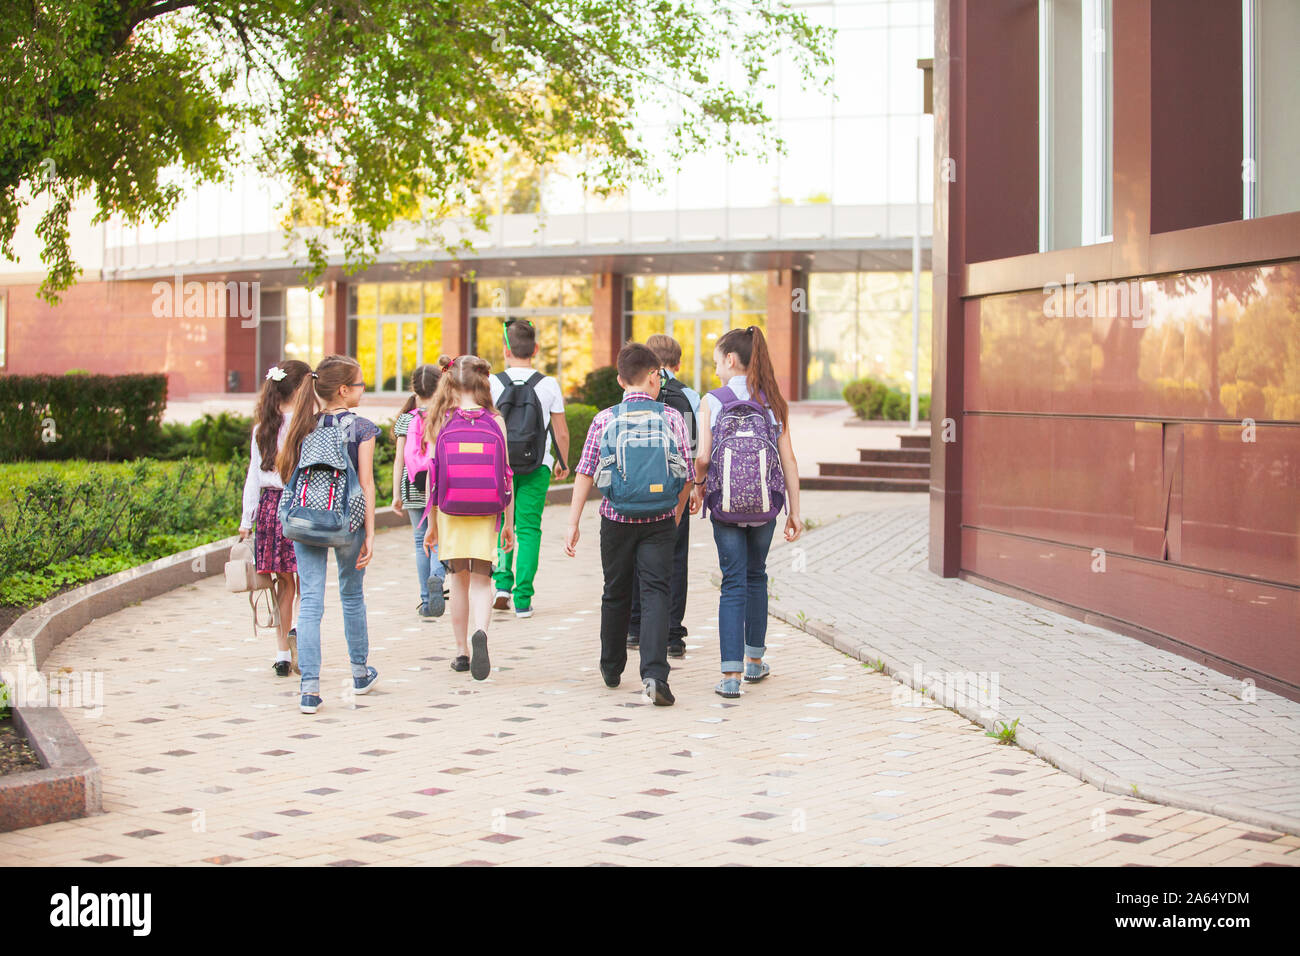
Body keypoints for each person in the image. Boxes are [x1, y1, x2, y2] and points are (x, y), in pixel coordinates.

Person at [564, 342, 692, 706]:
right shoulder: (672, 418)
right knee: (656, 592)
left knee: (615, 590)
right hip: (659, 519)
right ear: (655, 376)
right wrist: (676, 514)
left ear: (621, 380)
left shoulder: (605, 419)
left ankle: (611, 665)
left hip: (616, 518)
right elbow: (685, 474)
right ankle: (654, 673)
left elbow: (585, 471)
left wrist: (573, 523)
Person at [690, 326, 804, 700]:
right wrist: (795, 512)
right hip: (764, 507)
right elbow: (788, 459)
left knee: (732, 582)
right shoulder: (772, 401)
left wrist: (697, 486)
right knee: (757, 576)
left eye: (717, 361)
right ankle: (755, 662)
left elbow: (704, 457)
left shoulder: (713, 400)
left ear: (730, 360)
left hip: (724, 506)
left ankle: (730, 675)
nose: (716, 369)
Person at [277, 355, 381, 714]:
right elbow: (366, 484)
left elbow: (286, 471)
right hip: (347, 522)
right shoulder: (361, 428)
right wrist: (370, 532)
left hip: (306, 521)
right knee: (352, 597)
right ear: (343, 390)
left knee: (311, 604)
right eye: (360, 385)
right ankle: (359, 672)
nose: (363, 390)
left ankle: (309, 689)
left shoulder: (304, 424)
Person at [421, 355, 516, 680]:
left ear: (448, 382)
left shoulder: (441, 420)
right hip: (487, 511)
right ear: (483, 383)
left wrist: (431, 526)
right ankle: (481, 632)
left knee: (458, 581)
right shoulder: (495, 420)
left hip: (450, 511)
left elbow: (432, 479)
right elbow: (507, 476)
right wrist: (509, 524)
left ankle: (461, 651)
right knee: (482, 581)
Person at [489, 319, 570, 618]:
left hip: (499, 466)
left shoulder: (492, 382)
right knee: (529, 529)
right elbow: (560, 431)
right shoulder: (548, 384)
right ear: (535, 349)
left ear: (505, 350)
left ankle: (501, 585)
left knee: (501, 523)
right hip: (537, 465)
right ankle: (522, 599)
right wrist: (562, 461)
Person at [627, 333, 700, 658]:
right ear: (678, 363)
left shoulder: (633, 389)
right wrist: (696, 487)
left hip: (636, 487)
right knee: (675, 557)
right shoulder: (690, 395)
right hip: (674, 489)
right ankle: (672, 634)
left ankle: (634, 626)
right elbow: (696, 446)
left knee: (634, 554)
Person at [239, 359, 310, 677]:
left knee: (283, 583)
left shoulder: (262, 428)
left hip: (270, 509)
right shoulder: (306, 424)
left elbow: (253, 477)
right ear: (298, 389)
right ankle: (300, 638)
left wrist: (246, 520)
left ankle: (282, 652)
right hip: (300, 505)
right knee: (306, 580)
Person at [392, 363, 448, 619]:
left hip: (411, 484)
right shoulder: (446, 416)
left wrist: (396, 494)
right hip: (439, 484)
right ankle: (437, 577)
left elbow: (399, 459)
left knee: (419, 542)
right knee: (439, 538)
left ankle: (425, 601)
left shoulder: (406, 419)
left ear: (414, 388)